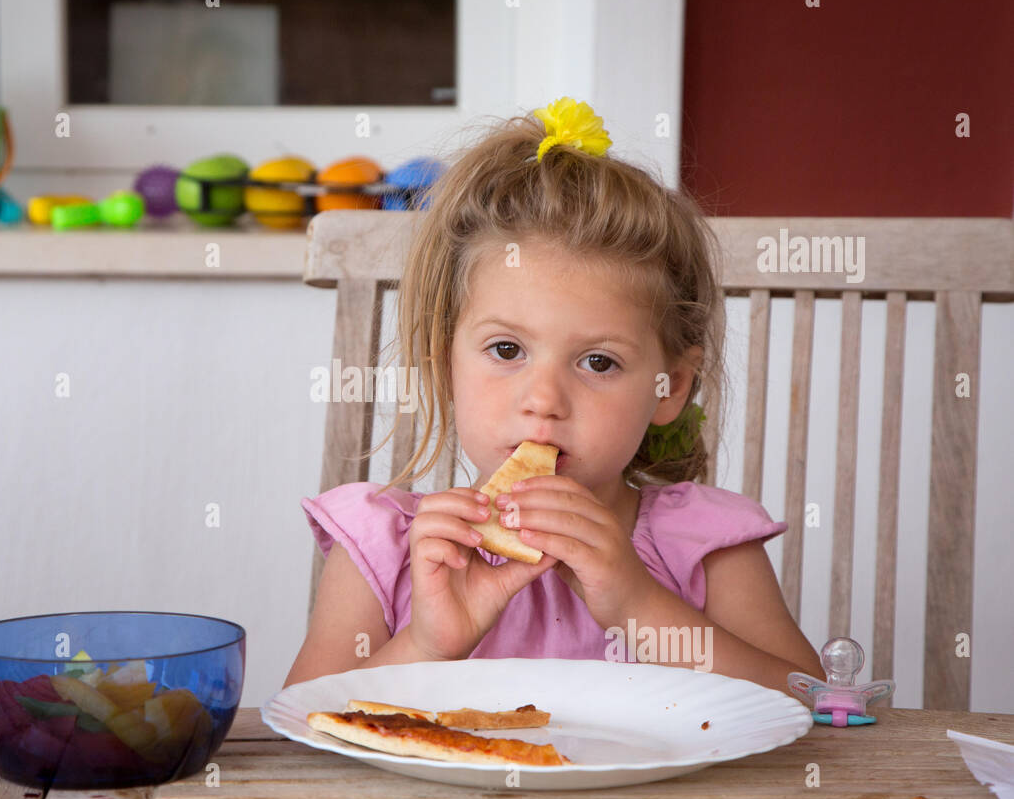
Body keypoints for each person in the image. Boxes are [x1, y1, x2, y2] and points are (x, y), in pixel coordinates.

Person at [284, 98, 823, 695]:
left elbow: (809, 704)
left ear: (671, 387)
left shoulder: (705, 549)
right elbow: (300, 730)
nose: (544, 400)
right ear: (443, 364)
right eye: (507, 350)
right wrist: (427, 645)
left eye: (598, 362)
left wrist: (637, 607)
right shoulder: (386, 547)